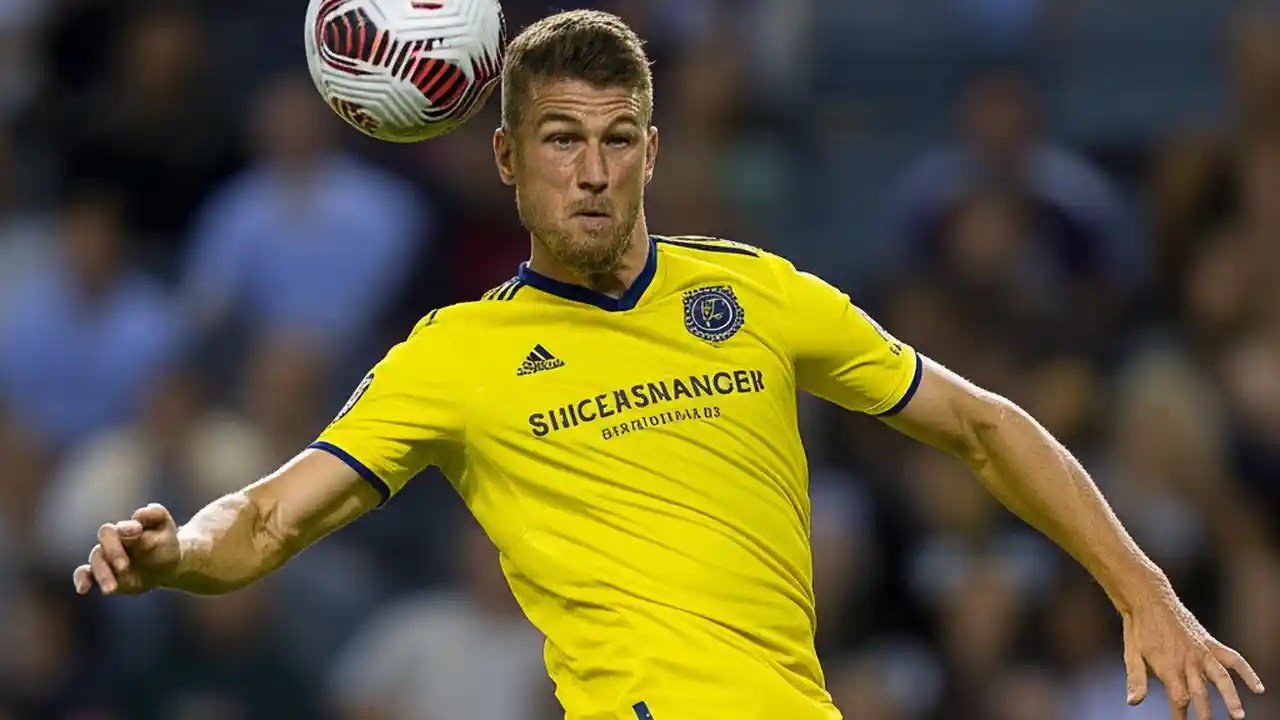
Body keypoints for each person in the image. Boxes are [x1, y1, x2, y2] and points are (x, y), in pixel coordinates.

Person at [72, 10, 1265, 720]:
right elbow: (271, 518)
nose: (589, 173)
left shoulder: (752, 292)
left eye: (612, 141)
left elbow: (984, 425)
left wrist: (1140, 589)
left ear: (652, 149)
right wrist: (177, 554)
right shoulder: (452, 356)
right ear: (504, 157)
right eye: (557, 142)